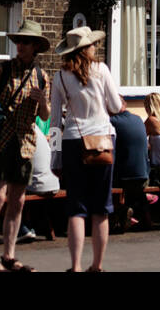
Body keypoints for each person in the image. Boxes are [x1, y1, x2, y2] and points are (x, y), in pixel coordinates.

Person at [0, 17, 50, 273]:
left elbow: (46, 116)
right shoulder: (2, 70)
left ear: (36, 46)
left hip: (25, 143)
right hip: (0, 141)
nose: (21, 45)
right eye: (19, 41)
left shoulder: (41, 76)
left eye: (26, 41)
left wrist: (43, 102)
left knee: (18, 201)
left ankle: (9, 255)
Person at [50, 26, 125, 272]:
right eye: (92, 43)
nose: (95, 46)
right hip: (102, 140)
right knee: (101, 207)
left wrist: (55, 157)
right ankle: (98, 265)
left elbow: (54, 122)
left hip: (73, 141)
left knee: (76, 207)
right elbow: (114, 106)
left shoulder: (60, 77)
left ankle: (75, 266)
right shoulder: (102, 70)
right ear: (87, 48)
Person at [111, 106, 153, 229]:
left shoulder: (111, 122)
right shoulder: (138, 119)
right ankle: (145, 218)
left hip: (123, 178)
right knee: (137, 190)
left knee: (103, 178)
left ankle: (120, 211)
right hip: (144, 175)